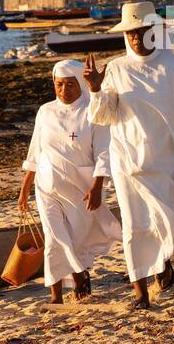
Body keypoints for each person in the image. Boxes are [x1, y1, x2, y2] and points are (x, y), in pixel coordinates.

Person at [85, 1, 174, 310]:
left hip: (165, 159)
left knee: (169, 222)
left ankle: (162, 262)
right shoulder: (115, 69)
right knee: (134, 226)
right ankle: (139, 290)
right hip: (126, 161)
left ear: (155, 30)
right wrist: (97, 91)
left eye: (142, 31)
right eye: (131, 33)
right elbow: (102, 117)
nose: (137, 38)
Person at [18, 60, 121, 303]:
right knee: (54, 239)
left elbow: (104, 152)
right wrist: (24, 189)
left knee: (76, 239)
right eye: (59, 84)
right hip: (46, 187)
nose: (64, 91)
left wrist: (97, 186)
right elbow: (36, 151)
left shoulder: (92, 111)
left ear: (81, 85)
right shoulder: (45, 111)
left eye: (70, 85)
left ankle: (80, 275)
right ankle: (56, 296)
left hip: (81, 188)